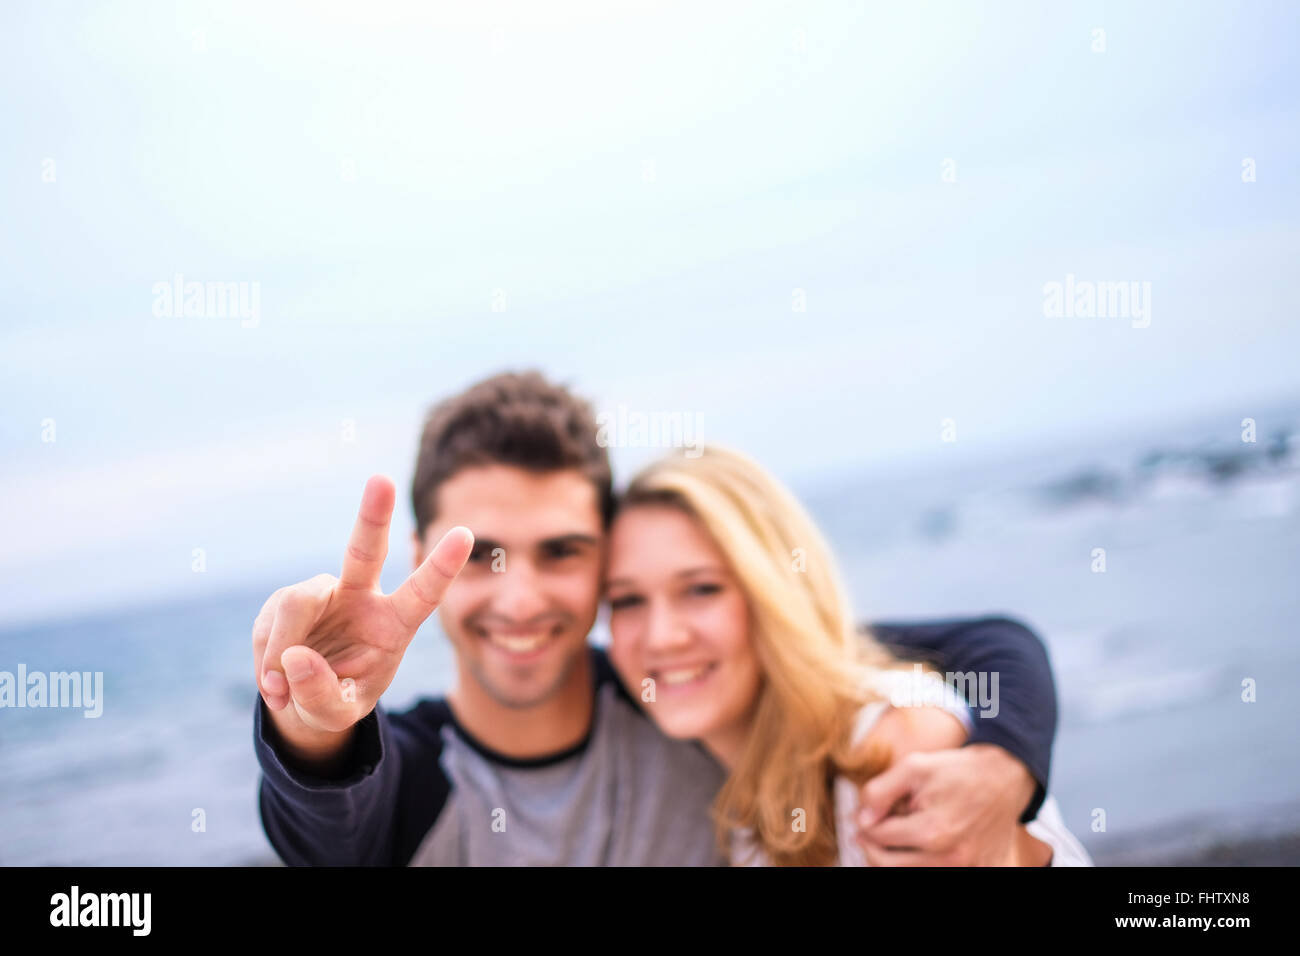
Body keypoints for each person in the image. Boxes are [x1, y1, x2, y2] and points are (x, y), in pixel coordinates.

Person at [252, 370, 1065, 865]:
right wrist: (317, 725)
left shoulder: (687, 707)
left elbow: (976, 646)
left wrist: (1007, 764)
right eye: (483, 554)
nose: (523, 594)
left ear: (605, 556)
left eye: (563, 551)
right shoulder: (415, 782)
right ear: (425, 551)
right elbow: (327, 820)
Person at [604, 445, 1092, 865]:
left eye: (701, 589)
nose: (661, 636)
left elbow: (1001, 639)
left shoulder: (894, 746)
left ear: (775, 593)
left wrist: (1007, 760)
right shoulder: (733, 777)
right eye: (627, 600)